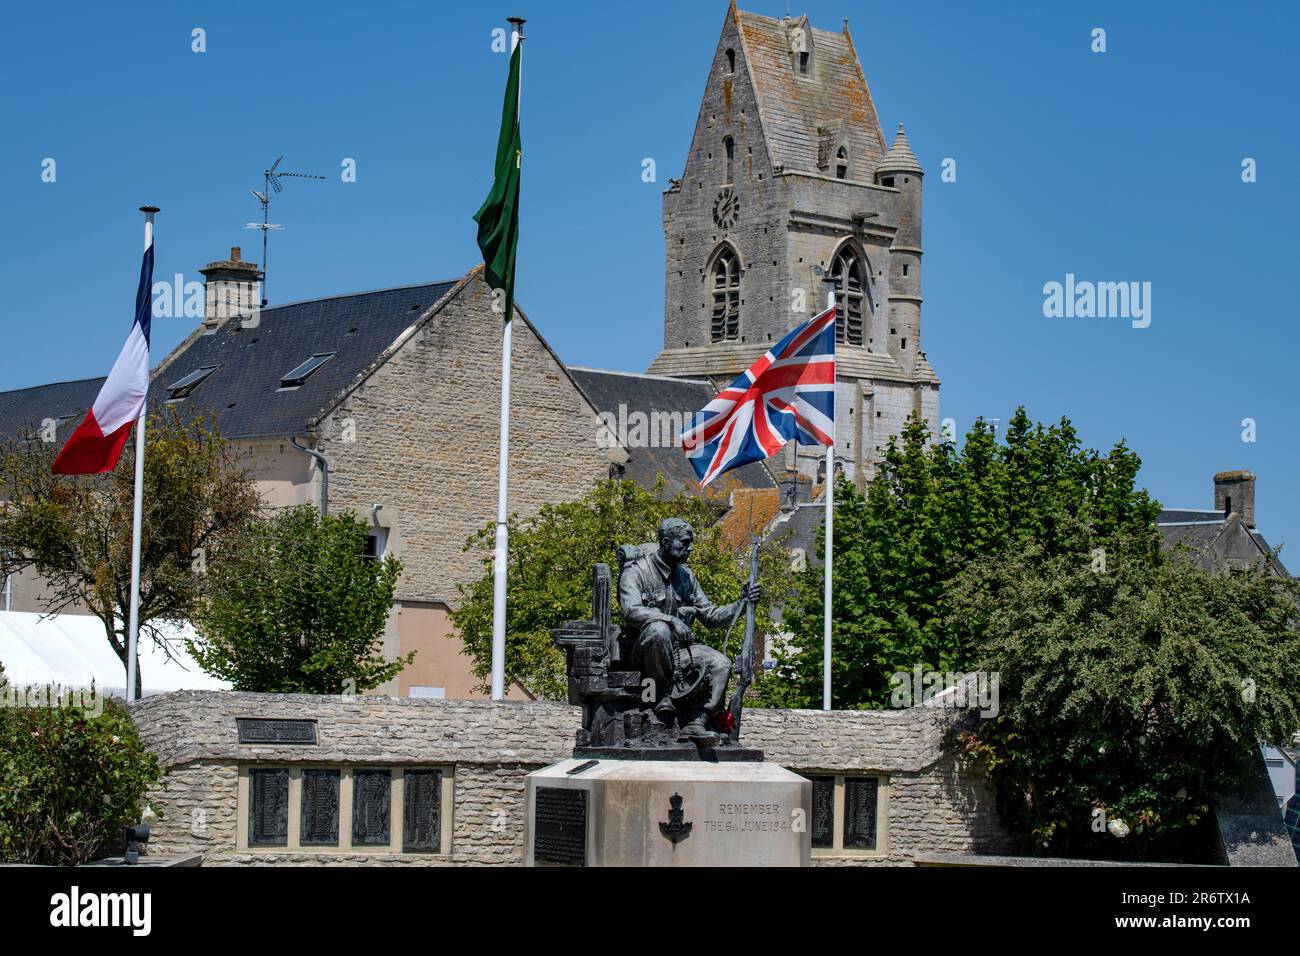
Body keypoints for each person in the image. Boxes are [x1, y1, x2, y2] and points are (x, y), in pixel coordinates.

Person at [618, 517, 761, 746]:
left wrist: (741, 603)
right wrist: (671, 621)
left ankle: (697, 721)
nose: (690, 548)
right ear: (665, 542)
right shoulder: (636, 572)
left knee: (720, 663)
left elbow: (711, 617)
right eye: (684, 543)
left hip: (679, 654)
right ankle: (662, 698)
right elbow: (631, 611)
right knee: (658, 629)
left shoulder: (686, 576)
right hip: (643, 655)